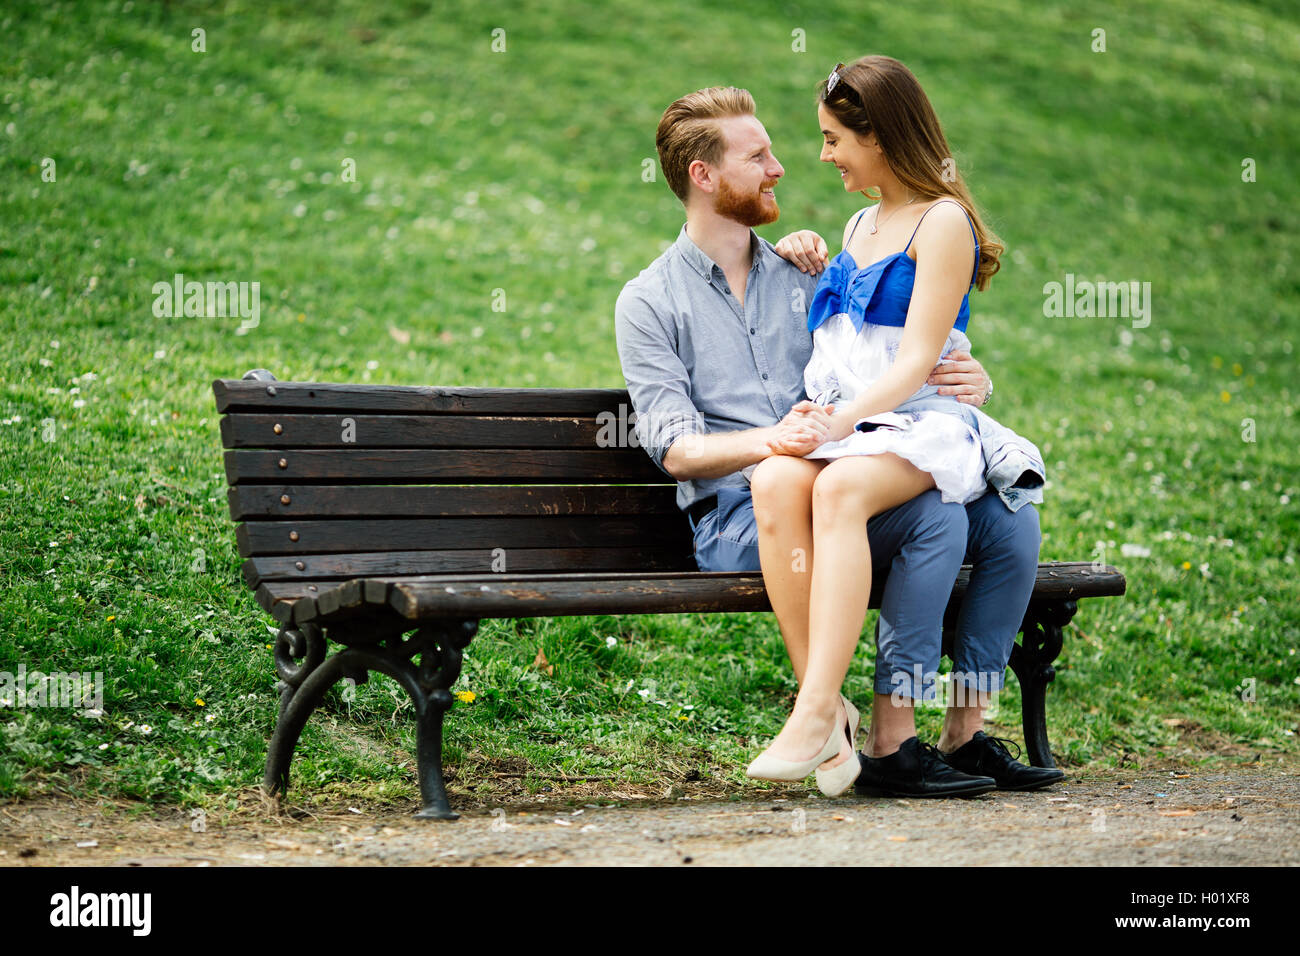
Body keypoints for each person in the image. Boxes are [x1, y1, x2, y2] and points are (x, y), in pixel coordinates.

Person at [614, 83, 1058, 801]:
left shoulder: (805, 269)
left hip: (837, 467)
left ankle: (959, 730)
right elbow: (676, 452)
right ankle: (868, 726)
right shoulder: (650, 301)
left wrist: (962, 371)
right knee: (929, 517)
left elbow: (879, 356)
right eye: (758, 156)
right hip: (741, 518)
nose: (783, 166)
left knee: (1012, 520)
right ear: (704, 176)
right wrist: (776, 439)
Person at [745, 55, 1062, 796]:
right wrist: (801, 264)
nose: (822, 156)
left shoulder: (942, 222)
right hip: (865, 427)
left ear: (880, 135)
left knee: (985, 521)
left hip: (910, 425)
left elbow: (917, 357)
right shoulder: (859, 221)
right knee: (829, 491)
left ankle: (846, 712)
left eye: (833, 139)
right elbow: (847, 345)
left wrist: (836, 423)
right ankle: (860, 723)